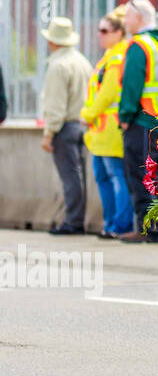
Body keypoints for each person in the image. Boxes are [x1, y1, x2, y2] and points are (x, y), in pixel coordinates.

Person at [117, 0, 158, 243]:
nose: (124, 21)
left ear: (139, 18)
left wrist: (124, 118)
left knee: (141, 174)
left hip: (143, 121)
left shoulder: (139, 46)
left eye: (127, 16)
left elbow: (131, 87)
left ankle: (147, 228)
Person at [81, 7, 134, 240]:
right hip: (101, 131)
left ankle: (119, 225)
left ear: (119, 32)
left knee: (116, 176)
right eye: (99, 30)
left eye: (104, 30)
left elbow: (108, 93)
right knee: (104, 177)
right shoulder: (110, 55)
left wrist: (88, 113)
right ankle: (111, 223)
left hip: (110, 129)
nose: (99, 35)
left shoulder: (118, 56)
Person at [39, 17, 94, 235]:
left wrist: (48, 133)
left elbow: (55, 104)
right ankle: (76, 219)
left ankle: (73, 221)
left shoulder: (57, 66)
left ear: (52, 41)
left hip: (64, 127)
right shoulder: (82, 61)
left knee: (69, 177)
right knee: (78, 176)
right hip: (82, 124)